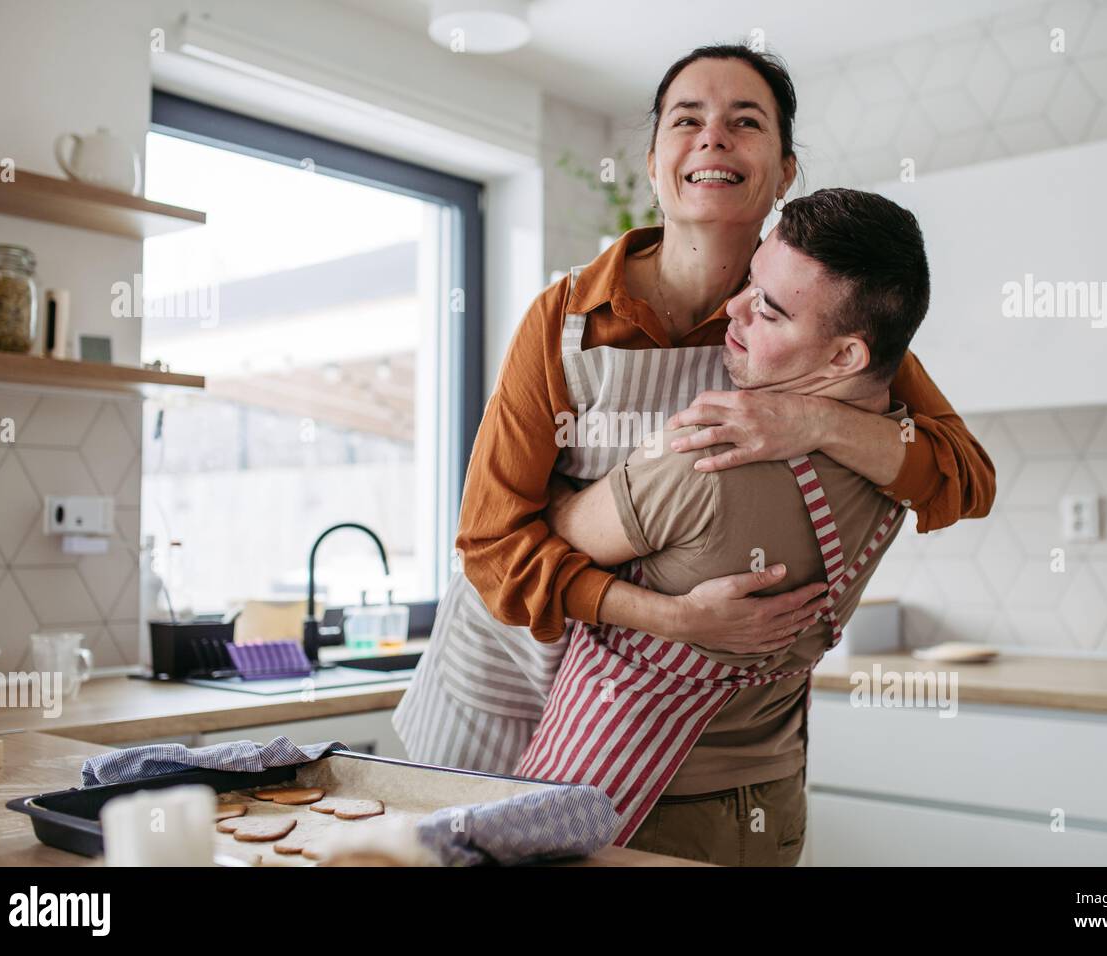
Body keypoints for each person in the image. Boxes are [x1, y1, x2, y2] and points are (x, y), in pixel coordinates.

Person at [391, 43, 994, 777]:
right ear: (652, 163)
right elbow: (490, 546)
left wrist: (813, 421)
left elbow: (963, 479)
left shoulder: (805, 322)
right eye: (687, 120)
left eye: (745, 121)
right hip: (501, 674)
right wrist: (672, 617)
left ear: (784, 172)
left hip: (639, 721)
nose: (713, 136)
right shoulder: (566, 319)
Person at [517, 187, 929, 866]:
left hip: (640, 814)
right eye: (749, 283)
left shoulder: (707, 460)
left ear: (847, 357)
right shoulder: (902, 459)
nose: (732, 311)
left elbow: (555, 522)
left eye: (767, 309)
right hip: (775, 800)